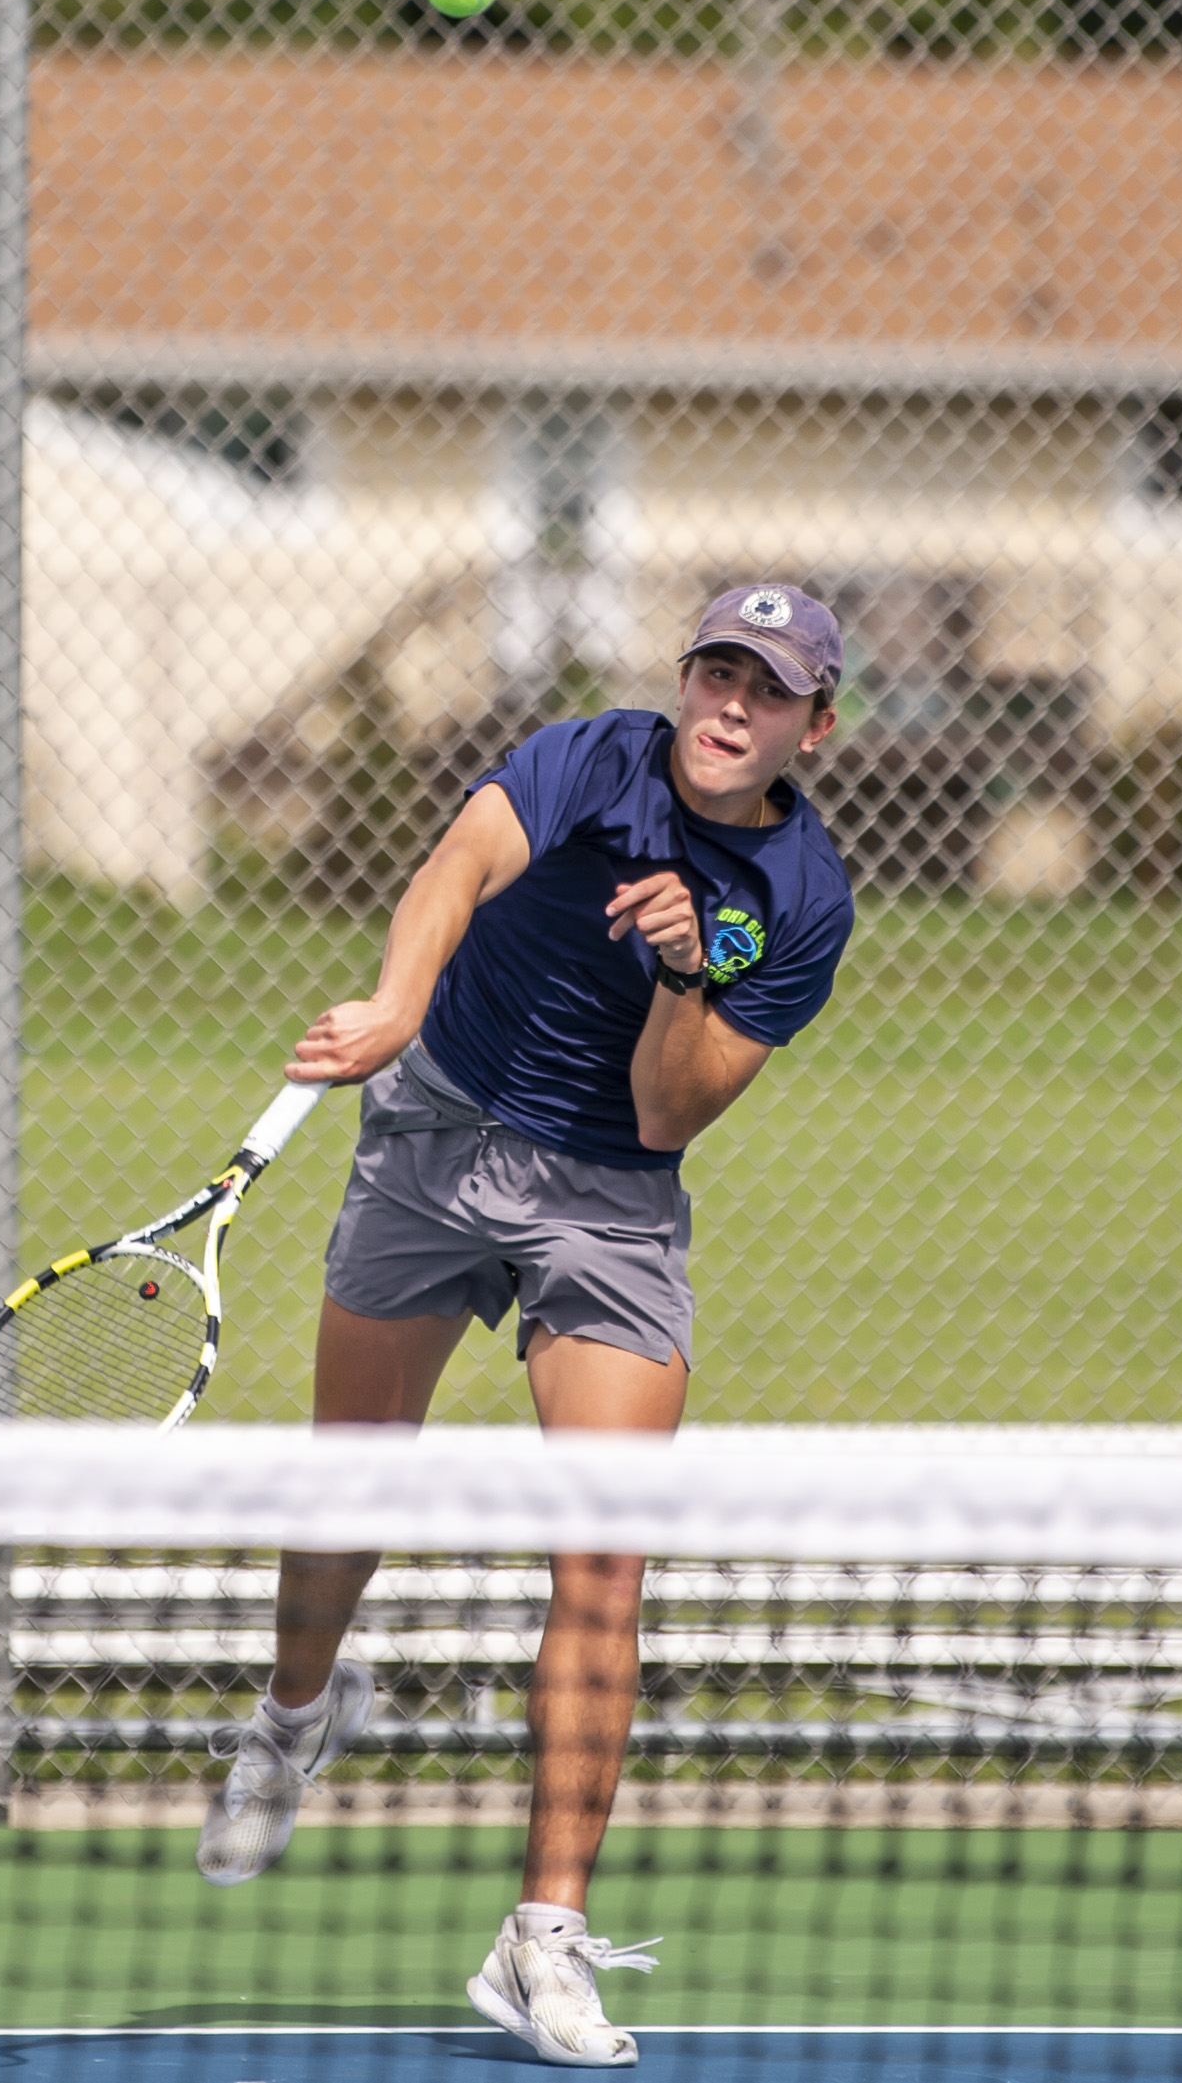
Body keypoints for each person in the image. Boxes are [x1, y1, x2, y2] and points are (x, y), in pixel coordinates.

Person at [197, 584, 858, 2068]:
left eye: (768, 687)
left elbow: (667, 1107)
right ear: (685, 681)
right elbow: (459, 862)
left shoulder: (801, 902)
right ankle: (297, 1711)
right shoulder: (591, 757)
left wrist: (693, 963)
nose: (730, 702)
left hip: (611, 1199)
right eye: (715, 669)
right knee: (347, 1481)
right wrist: (392, 1000)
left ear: (814, 725)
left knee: (605, 1556)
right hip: (437, 1131)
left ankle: (542, 1933)